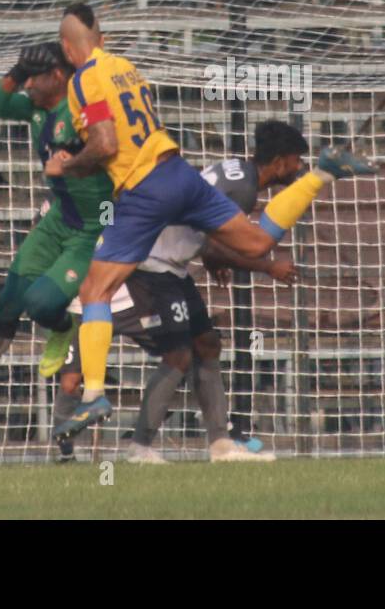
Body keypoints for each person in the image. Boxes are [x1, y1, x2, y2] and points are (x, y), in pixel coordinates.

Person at [48, 2, 374, 442]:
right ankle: (322, 172)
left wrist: (66, 167)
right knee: (258, 242)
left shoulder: (83, 78)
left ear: (69, 49)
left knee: (94, 290)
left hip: (144, 189)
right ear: (102, 40)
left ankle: (95, 394)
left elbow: (105, 144)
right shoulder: (123, 65)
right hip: (179, 171)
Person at [59, 121, 314, 463]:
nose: (298, 167)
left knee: (207, 344)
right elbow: (226, 240)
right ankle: (140, 447)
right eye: (297, 160)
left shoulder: (235, 170)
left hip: (172, 266)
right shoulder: (245, 189)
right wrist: (268, 267)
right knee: (177, 355)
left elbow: (202, 227)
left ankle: (221, 445)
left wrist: (209, 255)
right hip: (153, 265)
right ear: (281, 161)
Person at [0, 42, 113, 424]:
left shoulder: (80, 107)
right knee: (8, 303)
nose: (27, 84)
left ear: (58, 76)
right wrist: (16, 70)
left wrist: (74, 163)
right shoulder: (35, 107)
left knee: (41, 305)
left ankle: (62, 327)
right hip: (58, 219)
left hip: (92, 226)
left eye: (34, 76)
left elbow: (109, 147)